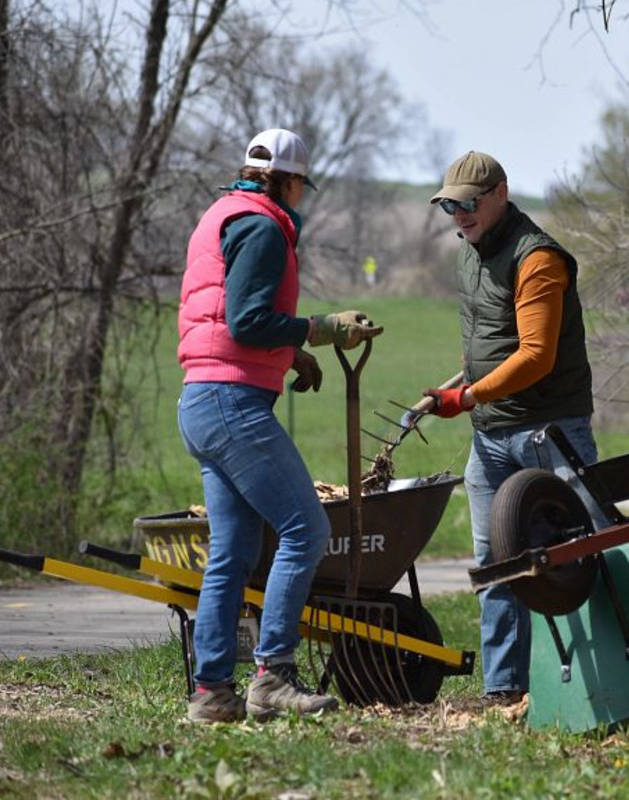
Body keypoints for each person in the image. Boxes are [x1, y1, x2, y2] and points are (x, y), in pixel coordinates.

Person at [177, 128, 382, 724]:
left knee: (233, 549)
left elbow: (219, 314)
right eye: (301, 186)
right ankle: (273, 675)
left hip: (201, 398)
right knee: (305, 529)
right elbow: (246, 320)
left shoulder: (223, 215)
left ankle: (212, 692)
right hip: (232, 403)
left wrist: (291, 354)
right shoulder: (265, 227)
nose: (301, 197)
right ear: (289, 181)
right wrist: (320, 328)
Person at [423, 151, 596, 706]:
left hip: (549, 433)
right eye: (450, 204)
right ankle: (505, 692)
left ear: (500, 192)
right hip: (491, 435)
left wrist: (468, 395)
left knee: (581, 555)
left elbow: (538, 357)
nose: (459, 214)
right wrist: (467, 385)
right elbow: (489, 337)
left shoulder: (538, 258)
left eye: (469, 203)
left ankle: (603, 681)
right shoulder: (471, 253)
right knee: (495, 562)